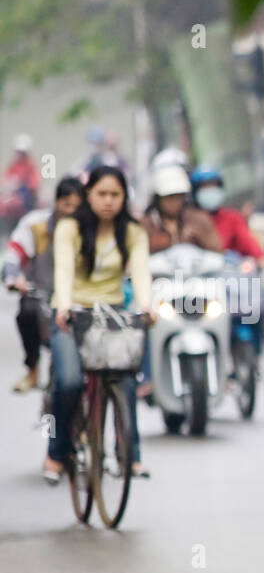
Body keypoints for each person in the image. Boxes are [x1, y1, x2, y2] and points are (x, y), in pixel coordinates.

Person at [44, 166, 154, 483]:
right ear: (88, 195)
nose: (108, 201)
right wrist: (64, 306)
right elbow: (63, 270)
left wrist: (146, 306)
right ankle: (56, 452)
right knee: (68, 382)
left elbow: (142, 272)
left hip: (112, 313)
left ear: (124, 198)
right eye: (102, 194)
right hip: (72, 313)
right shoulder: (69, 228)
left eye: (115, 195)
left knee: (126, 379)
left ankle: (130, 458)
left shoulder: (133, 231)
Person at [5, 176, 84, 393]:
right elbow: (13, 255)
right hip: (43, 296)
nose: (71, 211)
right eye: (66, 205)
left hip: (78, 300)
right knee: (27, 312)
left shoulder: (89, 228)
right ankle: (33, 369)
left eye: (77, 207)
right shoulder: (36, 225)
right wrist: (14, 278)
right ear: (56, 202)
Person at [190, 165, 264, 358]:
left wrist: (259, 259)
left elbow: (250, 246)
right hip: (198, 287)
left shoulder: (231, 219)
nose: (210, 192)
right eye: (205, 187)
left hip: (229, 284)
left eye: (214, 186)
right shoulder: (189, 220)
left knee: (254, 308)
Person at [140, 164, 221, 253]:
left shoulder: (199, 220)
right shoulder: (146, 225)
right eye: (169, 197)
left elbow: (217, 253)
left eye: (178, 196)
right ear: (158, 198)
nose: (174, 202)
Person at [3, 135, 42, 220]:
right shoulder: (13, 166)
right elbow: (6, 181)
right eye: (18, 152)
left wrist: (21, 186)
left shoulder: (31, 167)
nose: (19, 155)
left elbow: (34, 186)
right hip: (12, 200)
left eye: (22, 152)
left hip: (26, 202)